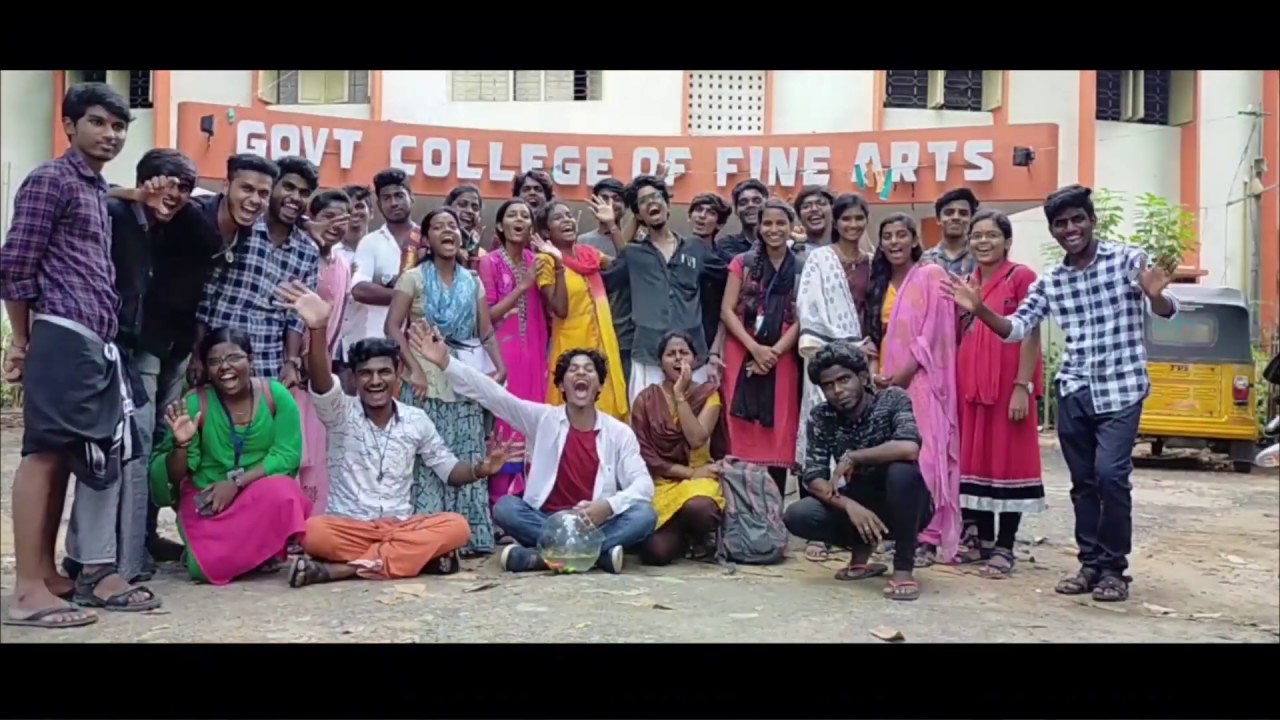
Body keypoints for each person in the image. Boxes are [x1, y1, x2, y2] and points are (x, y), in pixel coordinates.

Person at [944, 184, 1179, 603]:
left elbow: (1165, 309)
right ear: (1053, 230)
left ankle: (1114, 570)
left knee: (1111, 476)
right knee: (1083, 482)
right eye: (1061, 223)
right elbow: (1016, 328)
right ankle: (1090, 565)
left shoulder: (1128, 259)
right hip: (1074, 389)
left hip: (1121, 387)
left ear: (1091, 221)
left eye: (1077, 219)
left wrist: (1156, 296)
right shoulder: (1053, 281)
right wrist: (979, 309)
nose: (1070, 228)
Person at [1, 82, 158, 628]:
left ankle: (46, 576)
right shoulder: (50, 179)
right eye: (98, 123)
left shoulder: (91, 187)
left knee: (71, 457)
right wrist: (22, 342)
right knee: (43, 454)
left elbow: (103, 192)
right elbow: (16, 265)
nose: (110, 134)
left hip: (94, 340)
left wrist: (131, 195)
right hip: (62, 333)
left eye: (119, 127)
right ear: (69, 126)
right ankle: (24, 591)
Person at [274, 282, 517, 587]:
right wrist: (318, 329)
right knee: (311, 532)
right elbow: (322, 382)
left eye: (384, 372)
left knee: (456, 527)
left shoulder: (416, 420)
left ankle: (342, 570)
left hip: (399, 527)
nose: (375, 381)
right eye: (366, 373)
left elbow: (448, 470)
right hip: (348, 527)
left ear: (397, 372)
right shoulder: (340, 412)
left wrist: (482, 469)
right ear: (354, 377)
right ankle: (411, 560)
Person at [409, 326, 657, 575]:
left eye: (589, 369)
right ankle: (594, 555)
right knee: (506, 508)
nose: (581, 372)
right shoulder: (542, 419)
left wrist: (608, 506)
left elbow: (644, 486)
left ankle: (543, 557)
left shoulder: (619, 433)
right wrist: (446, 362)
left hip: (593, 524)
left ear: (599, 386)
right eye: (573, 369)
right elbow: (494, 396)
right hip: (546, 521)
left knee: (644, 515)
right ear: (561, 385)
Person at [62, 148, 201, 585]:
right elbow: (86, 199)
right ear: (144, 181)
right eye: (165, 182)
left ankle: (124, 555)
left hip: (143, 347)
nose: (174, 193)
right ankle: (106, 565)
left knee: (139, 449)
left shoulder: (161, 226)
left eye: (183, 186)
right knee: (118, 452)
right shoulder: (116, 213)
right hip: (104, 347)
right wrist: (130, 194)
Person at [386, 206, 506, 556]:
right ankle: (426, 536)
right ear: (427, 239)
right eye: (438, 227)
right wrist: (415, 369)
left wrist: (500, 368)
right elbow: (393, 327)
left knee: (467, 451)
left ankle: (467, 537)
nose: (448, 232)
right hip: (423, 376)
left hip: (464, 373)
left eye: (452, 226)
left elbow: (485, 331)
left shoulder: (473, 281)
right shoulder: (414, 278)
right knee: (427, 459)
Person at [148, 328, 311, 585]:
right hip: (210, 497)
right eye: (215, 362)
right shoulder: (194, 403)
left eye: (234, 358)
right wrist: (182, 444)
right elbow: (175, 476)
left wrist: (236, 483)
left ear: (251, 359)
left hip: (255, 493)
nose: (225, 368)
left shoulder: (276, 395)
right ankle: (253, 555)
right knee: (202, 569)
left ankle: (253, 553)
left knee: (285, 491)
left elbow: (286, 456)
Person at [783, 341, 932, 601]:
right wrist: (850, 506)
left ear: (863, 377)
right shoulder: (822, 416)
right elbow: (814, 476)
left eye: (844, 380)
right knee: (798, 514)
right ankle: (861, 557)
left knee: (902, 472)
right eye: (828, 385)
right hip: (859, 500)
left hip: (905, 503)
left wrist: (854, 456)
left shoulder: (892, 399)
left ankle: (904, 567)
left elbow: (909, 447)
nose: (837, 390)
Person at [952, 209, 1045, 577]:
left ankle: (1005, 547)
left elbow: (1031, 332)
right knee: (977, 461)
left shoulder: (1021, 277)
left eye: (991, 235)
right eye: (977, 236)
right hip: (971, 386)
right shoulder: (967, 279)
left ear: (1007, 241)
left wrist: (1022, 386)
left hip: (1009, 385)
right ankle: (983, 542)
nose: (983, 242)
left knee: (1009, 462)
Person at [867, 213, 961, 567]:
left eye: (901, 235)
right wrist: (878, 373)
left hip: (923, 379)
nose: (894, 242)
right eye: (887, 235)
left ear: (913, 239)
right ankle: (902, 530)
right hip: (888, 382)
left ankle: (929, 535)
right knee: (895, 457)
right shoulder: (881, 282)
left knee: (927, 455)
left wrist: (906, 372)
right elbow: (877, 336)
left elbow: (934, 332)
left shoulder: (931, 275)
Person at [194, 156, 320, 386]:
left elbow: (295, 317)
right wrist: (196, 356)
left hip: (267, 366)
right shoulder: (240, 227)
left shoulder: (307, 251)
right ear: (272, 189)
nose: (295, 197)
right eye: (288, 187)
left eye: (304, 192)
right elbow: (205, 299)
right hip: (217, 360)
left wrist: (291, 362)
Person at [795, 192, 873, 561]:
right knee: (821, 437)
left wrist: (865, 352)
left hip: (867, 365)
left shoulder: (873, 263)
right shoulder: (819, 261)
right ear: (835, 223)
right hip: (826, 359)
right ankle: (819, 528)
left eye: (859, 219)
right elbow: (808, 312)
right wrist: (847, 348)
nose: (853, 225)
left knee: (861, 438)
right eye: (847, 219)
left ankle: (863, 522)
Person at [477, 199, 565, 514]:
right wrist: (523, 284)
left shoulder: (537, 259)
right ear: (500, 226)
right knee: (505, 421)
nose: (519, 219)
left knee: (535, 423)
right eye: (512, 215)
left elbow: (556, 309)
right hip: (504, 354)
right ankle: (500, 505)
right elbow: (487, 316)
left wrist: (554, 265)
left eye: (525, 215)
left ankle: (531, 502)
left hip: (536, 355)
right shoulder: (490, 262)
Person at [607, 175, 728, 404]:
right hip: (648, 358)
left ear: (667, 204)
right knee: (646, 432)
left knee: (697, 431)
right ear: (639, 215)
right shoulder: (632, 255)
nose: (651, 203)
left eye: (656, 197)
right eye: (643, 202)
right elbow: (603, 282)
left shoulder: (696, 248)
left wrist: (715, 348)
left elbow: (732, 280)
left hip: (695, 360)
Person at [719, 199, 803, 498]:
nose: (774, 229)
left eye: (781, 223)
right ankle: (741, 513)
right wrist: (755, 348)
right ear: (758, 227)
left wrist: (775, 352)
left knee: (780, 428)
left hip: (783, 355)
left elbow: (803, 317)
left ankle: (774, 516)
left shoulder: (802, 265)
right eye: (768, 223)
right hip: (743, 348)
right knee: (742, 430)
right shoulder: (742, 262)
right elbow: (727, 311)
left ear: (792, 227)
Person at [631, 331, 724, 566]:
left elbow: (696, 439)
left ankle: (699, 534)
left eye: (684, 353)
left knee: (700, 509)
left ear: (694, 360)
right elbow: (647, 456)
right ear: (660, 361)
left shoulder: (708, 395)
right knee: (655, 553)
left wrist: (680, 395)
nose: (678, 359)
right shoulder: (645, 400)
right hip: (662, 483)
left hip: (699, 482)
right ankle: (683, 538)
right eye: (670, 354)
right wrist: (689, 473)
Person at [537, 199, 629, 420]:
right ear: (546, 230)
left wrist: (612, 226)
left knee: (607, 418)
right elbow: (560, 309)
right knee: (572, 416)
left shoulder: (589, 254)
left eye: (569, 215)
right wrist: (559, 266)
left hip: (603, 347)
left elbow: (626, 266)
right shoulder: (545, 261)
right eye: (558, 218)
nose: (567, 220)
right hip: (571, 350)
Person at [291, 190, 354, 513]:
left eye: (343, 218)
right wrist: (296, 358)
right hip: (289, 363)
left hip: (320, 365)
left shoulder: (342, 263)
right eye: (328, 216)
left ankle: (311, 520)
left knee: (317, 447)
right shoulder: (300, 253)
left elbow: (339, 316)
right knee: (292, 444)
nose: (336, 224)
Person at [350, 168, 421, 343]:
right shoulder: (370, 242)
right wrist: (408, 296)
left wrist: (388, 292)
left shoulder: (427, 239)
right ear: (379, 204)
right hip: (380, 341)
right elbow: (359, 289)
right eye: (386, 198)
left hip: (423, 342)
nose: (394, 203)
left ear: (411, 197)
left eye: (399, 195)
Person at [686, 192, 735, 388]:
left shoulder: (726, 263)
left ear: (720, 224)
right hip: (677, 344)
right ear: (690, 216)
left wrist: (715, 349)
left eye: (710, 212)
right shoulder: (675, 252)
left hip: (710, 345)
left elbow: (727, 310)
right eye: (698, 210)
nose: (702, 216)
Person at [922, 188, 979, 276]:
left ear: (971, 219)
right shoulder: (924, 260)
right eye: (949, 213)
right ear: (938, 219)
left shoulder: (980, 257)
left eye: (963, 213)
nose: (956, 217)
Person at [717, 178, 768, 258]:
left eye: (757, 201)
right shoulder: (726, 244)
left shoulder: (782, 243)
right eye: (743, 203)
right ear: (736, 211)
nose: (750, 205)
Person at [789, 185, 835, 264]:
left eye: (821, 203)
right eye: (806, 206)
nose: (814, 209)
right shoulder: (789, 250)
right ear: (799, 216)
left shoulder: (845, 248)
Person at [445, 183, 487, 268]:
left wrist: (473, 251)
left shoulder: (483, 255)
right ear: (448, 208)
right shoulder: (435, 246)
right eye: (462, 204)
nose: (469, 211)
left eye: (475, 208)